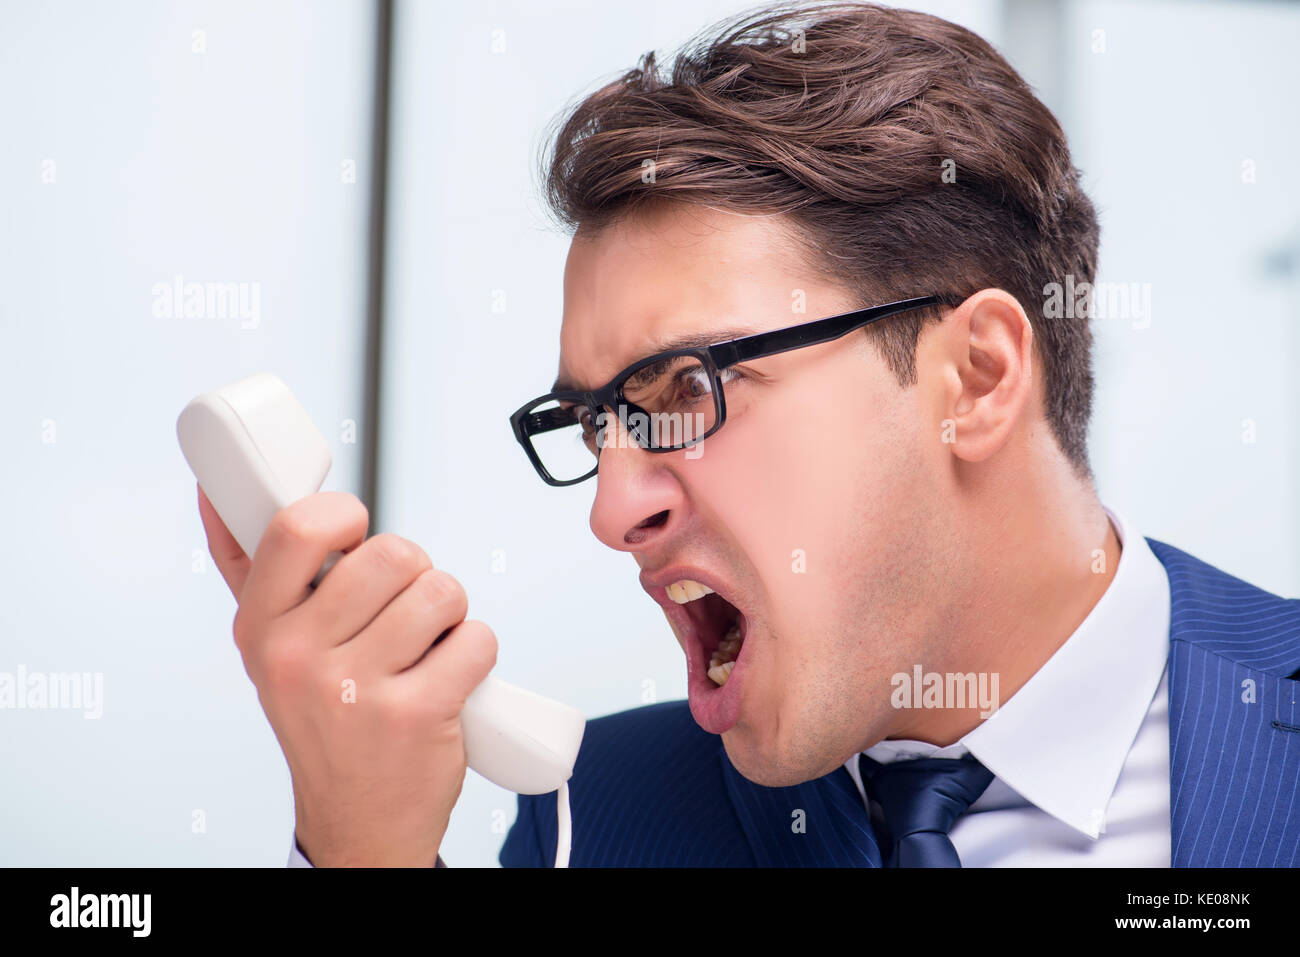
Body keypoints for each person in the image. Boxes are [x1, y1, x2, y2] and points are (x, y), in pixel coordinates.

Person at [198, 2, 1300, 868]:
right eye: (593, 424)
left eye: (686, 386)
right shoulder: (590, 821)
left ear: (974, 377)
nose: (612, 510)